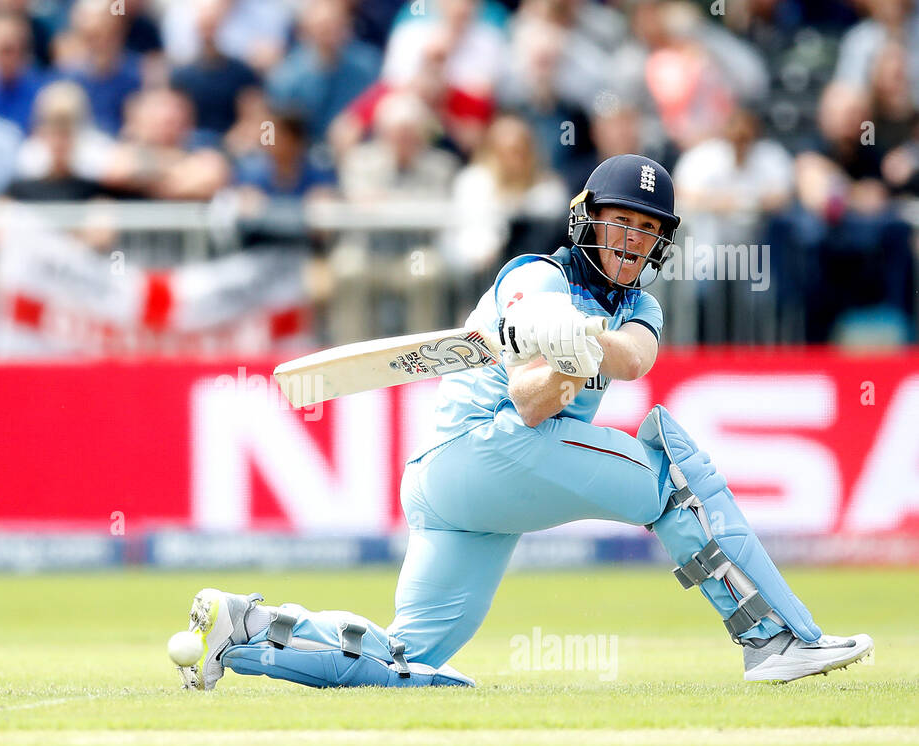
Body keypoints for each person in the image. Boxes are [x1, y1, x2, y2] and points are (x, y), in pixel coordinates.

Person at [176, 153, 873, 689]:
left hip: (460, 492)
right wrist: (555, 343)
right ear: (588, 219)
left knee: (407, 661)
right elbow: (534, 401)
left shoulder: (641, 311)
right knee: (671, 475)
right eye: (621, 220)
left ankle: (243, 629)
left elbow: (633, 359)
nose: (632, 239)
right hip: (485, 449)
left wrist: (585, 341)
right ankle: (775, 640)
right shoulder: (533, 275)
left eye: (647, 228)